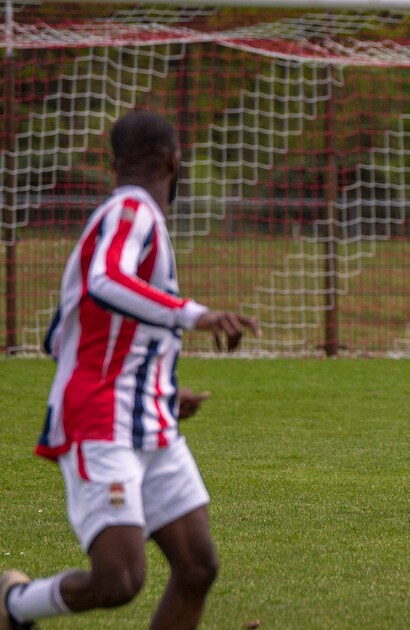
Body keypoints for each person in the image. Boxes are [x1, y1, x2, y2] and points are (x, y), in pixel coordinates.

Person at [1, 110, 259, 630]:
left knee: (198, 566)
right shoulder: (132, 211)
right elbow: (105, 280)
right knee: (119, 580)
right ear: (174, 161)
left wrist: (158, 391)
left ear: (112, 161)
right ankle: (13, 605)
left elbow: (68, 333)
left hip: (144, 415)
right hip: (100, 420)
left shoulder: (132, 219)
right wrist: (197, 315)